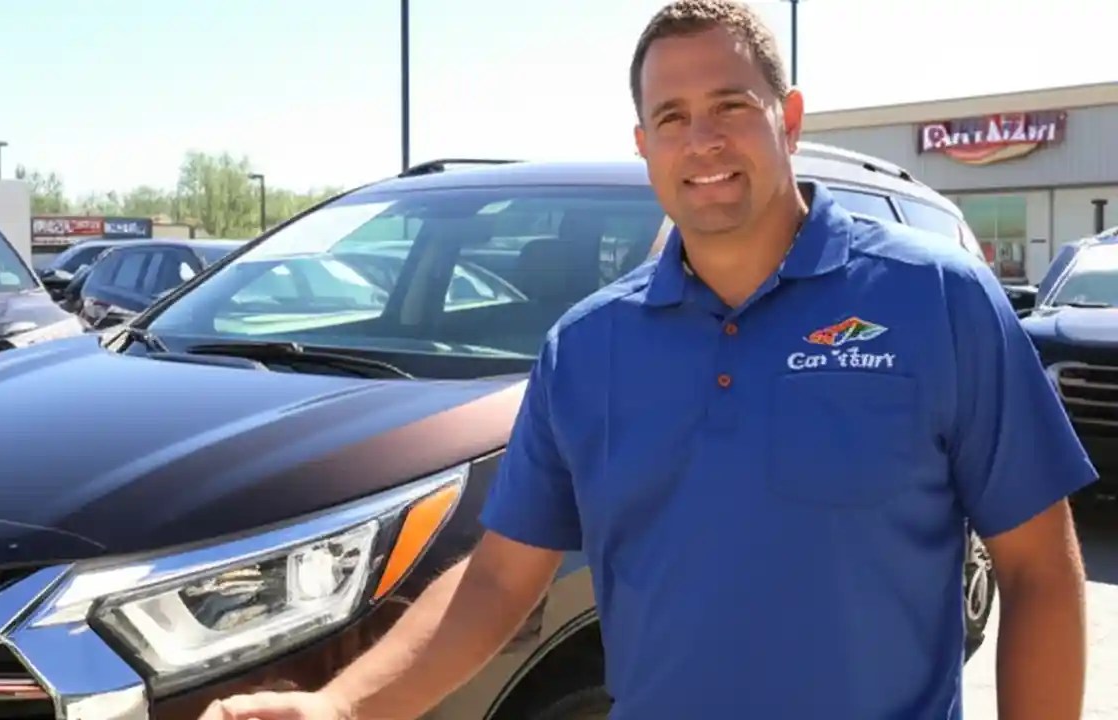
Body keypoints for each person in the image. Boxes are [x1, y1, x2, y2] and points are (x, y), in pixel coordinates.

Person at [201, 1, 1094, 717]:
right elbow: (499, 579)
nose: (702, 141)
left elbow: (1040, 572)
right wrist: (343, 704)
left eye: (731, 106)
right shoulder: (587, 349)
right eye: (672, 117)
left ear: (787, 119)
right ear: (644, 145)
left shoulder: (935, 300)